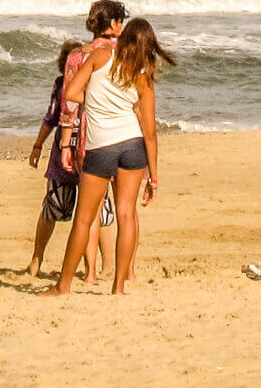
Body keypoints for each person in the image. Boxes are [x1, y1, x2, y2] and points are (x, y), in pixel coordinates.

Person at [42, 18, 175, 297]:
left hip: (101, 146)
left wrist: (94, 99)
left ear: (124, 36)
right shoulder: (142, 75)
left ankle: (63, 286)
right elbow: (150, 134)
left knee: (83, 219)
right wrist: (154, 177)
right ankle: (118, 287)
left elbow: (71, 95)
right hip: (132, 145)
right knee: (127, 214)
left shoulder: (101, 57)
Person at [24, 39, 114, 280]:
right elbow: (52, 117)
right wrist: (37, 144)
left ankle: (98, 267)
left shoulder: (95, 85)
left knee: (95, 212)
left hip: (88, 148)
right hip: (72, 152)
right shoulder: (61, 85)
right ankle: (38, 258)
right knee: (58, 208)